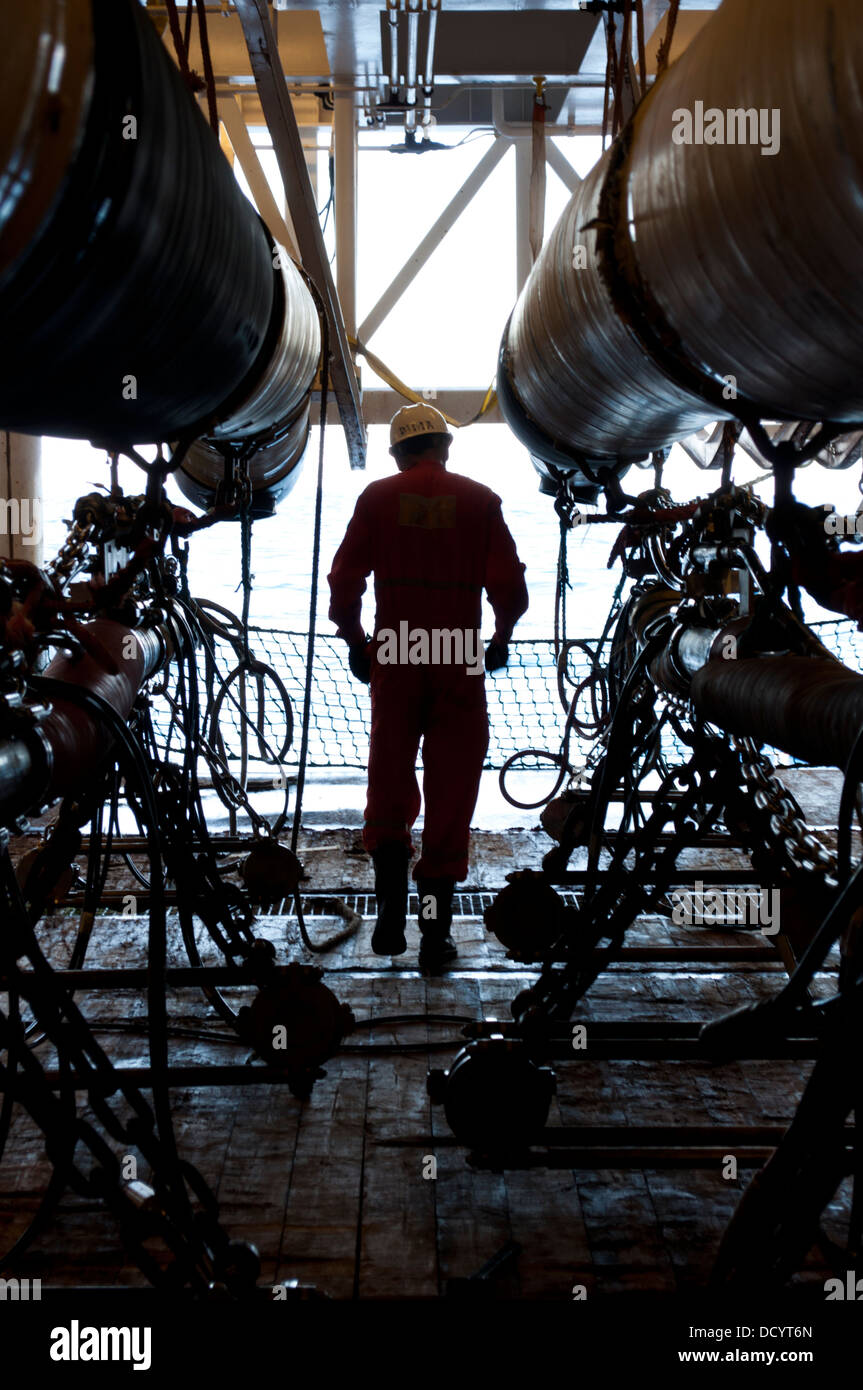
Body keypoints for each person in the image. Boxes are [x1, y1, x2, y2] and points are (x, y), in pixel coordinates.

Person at [327, 403, 529, 972]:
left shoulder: (376, 499)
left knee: (389, 777)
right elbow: (510, 588)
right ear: (445, 446)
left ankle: (390, 910)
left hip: (397, 652)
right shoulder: (481, 501)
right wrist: (501, 637)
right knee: (453, 788)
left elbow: (344, 580)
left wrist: (355, 640)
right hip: (457, 655)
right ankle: (435, 937)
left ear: (396, 454)